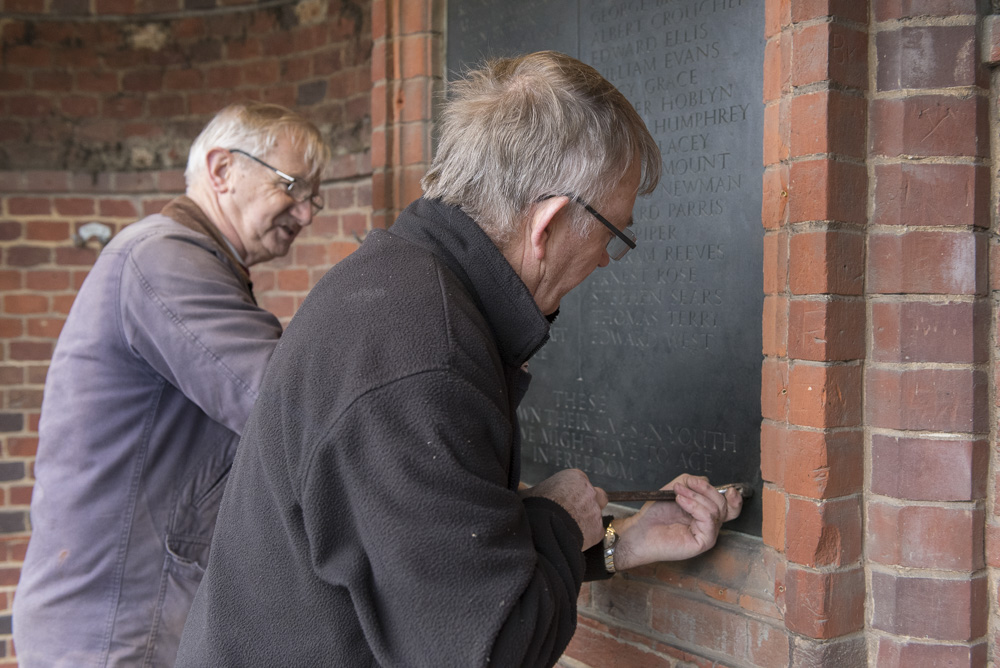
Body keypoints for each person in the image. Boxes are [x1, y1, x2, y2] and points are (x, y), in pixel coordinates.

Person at [175, 51, 742, 668]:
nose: (606, 260)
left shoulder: (401, 292)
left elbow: (421, 563)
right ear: (548, 225)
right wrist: (555, 519)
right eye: (614, 236)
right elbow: (486, 651)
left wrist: (615, 544)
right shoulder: (420, 356)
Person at [12, 101, 330, 667]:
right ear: (221, 169)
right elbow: (286, 410)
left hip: (117, 622)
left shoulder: (184, 259)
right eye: (292, 186)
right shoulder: (164, 260)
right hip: (117, 631)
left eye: (316, 196)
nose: (306, 213)